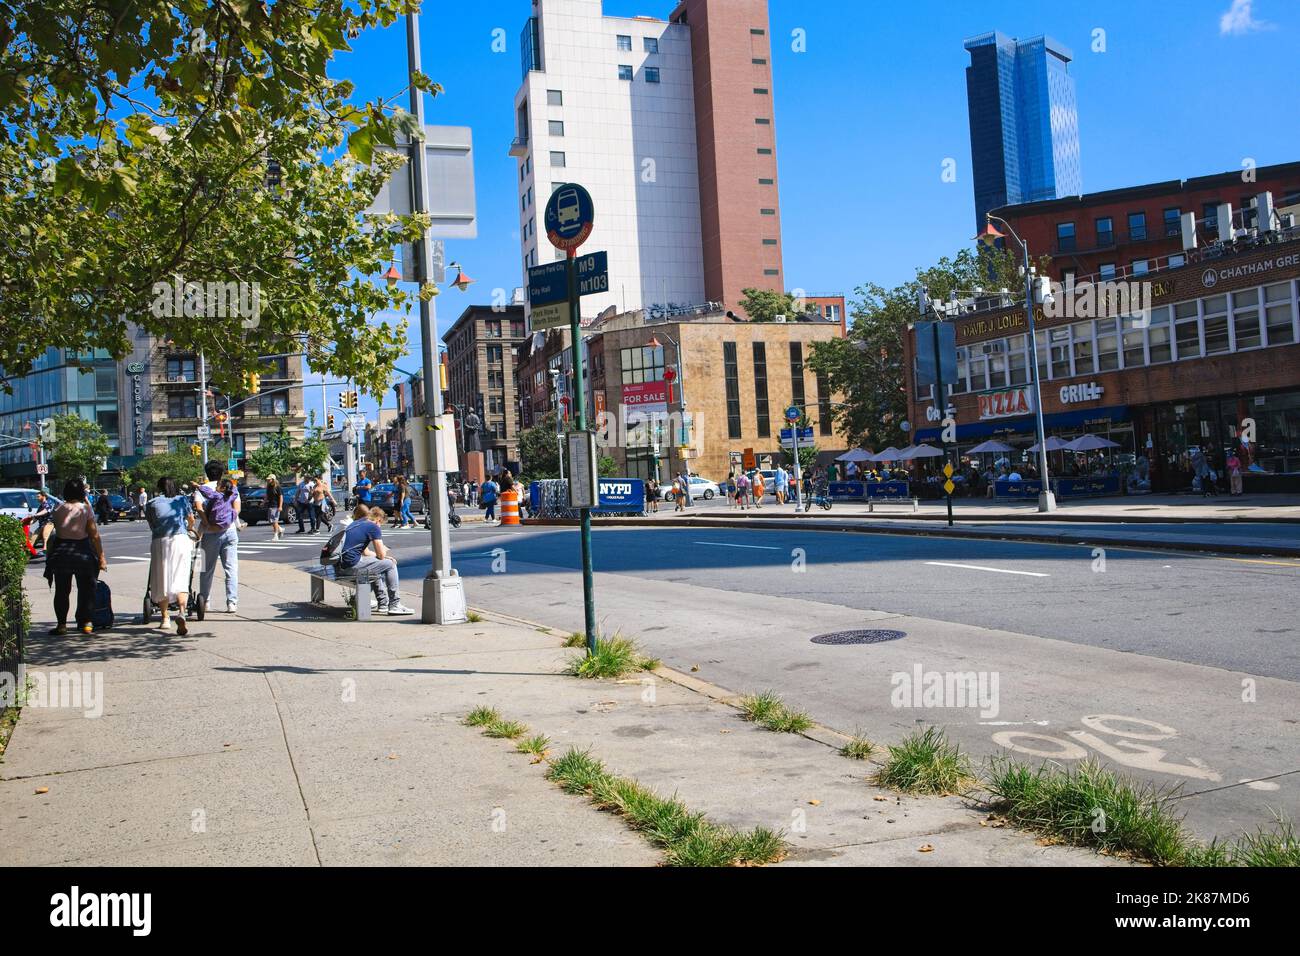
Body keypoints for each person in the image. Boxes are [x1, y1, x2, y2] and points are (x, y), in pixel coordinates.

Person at [43, 478, 107, 635]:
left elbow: (52, 528)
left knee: (62, 591)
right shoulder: (85, 509)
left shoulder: (58, 508)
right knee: (87, 589)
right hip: (82, 551)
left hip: (62, 552)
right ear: (81, 492)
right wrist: (101, 557)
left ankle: (62, 625)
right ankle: (86, 623)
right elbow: (94, 535)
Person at [336, 504, 413, 615]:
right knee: (390, 564)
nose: (380, 527)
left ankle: (383, 604)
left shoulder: (357, 523)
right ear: (378, 520)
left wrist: (382, 557)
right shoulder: (373, 527)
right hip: (351, 567)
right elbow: (380, 555)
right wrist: (385, 553)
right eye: (381, 524)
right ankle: (395, 604)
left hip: (341, 565)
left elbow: (367, 553)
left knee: (376, 566)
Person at [146, 477, 197, 634]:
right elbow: (191, 519)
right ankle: (181, 612)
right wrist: (189, 527)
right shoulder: (182, 500)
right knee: (181, 576)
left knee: (162, 579)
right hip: (180, 540)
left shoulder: (152, 503)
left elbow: (151, 525)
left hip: (160, 541)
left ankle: (165, 618)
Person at [194, 461, 241, 613]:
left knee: (206, 569)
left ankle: (205, 601)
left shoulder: (204, 488)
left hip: (209, 533)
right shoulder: (231, 487)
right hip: (230, 531)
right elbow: (237, 508)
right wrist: (227, 522)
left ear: (207, 473)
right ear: (222, 473)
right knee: (231, 568)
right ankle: (232, 603)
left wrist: (208, 523)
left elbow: (199, 508)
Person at [265, 475, 285, 541]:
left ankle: (276, 535)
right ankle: (280, 529)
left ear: (273, 479)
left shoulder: (277, 487)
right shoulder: (268, 487)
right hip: (270, 505)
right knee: (271, 521)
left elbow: (281, 497)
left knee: (274, 521)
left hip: (276, 506)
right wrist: (263, 502)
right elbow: (267, 496)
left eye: (269, 479)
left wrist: (280, 506)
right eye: (267, 479)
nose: (268, 480)